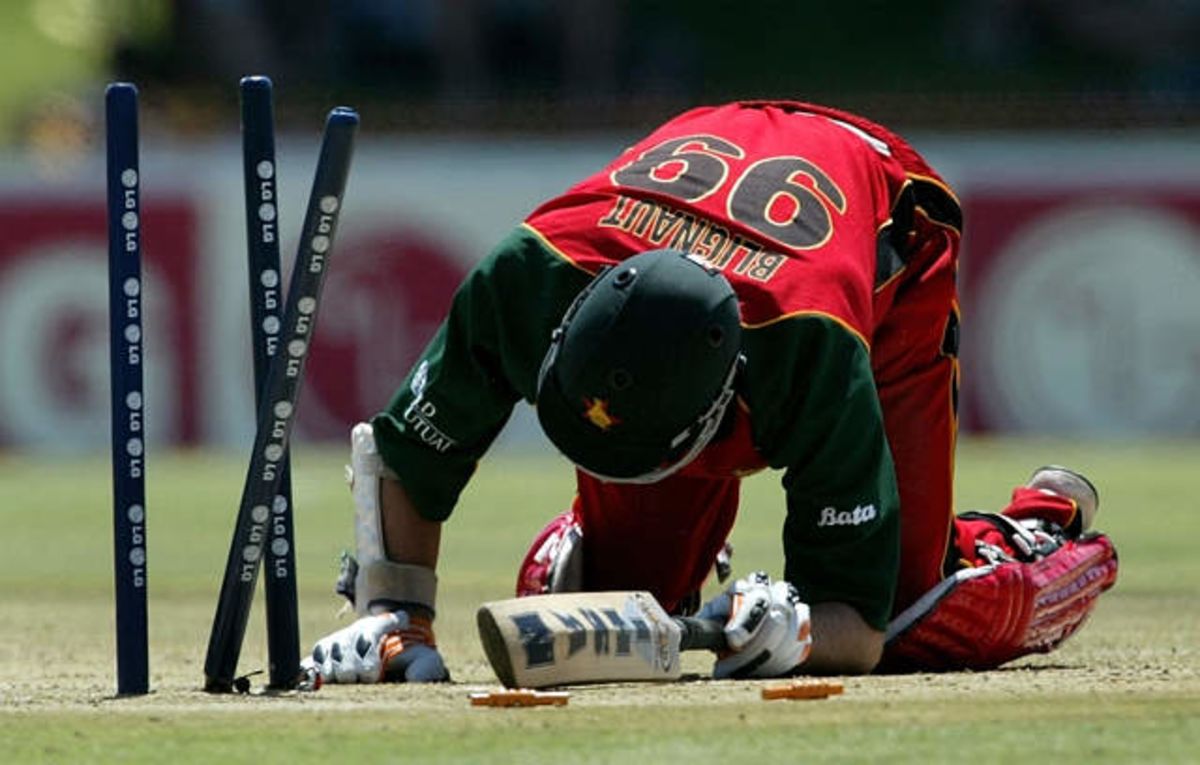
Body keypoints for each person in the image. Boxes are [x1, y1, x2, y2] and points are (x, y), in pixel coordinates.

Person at [303, 100, 1118, 684]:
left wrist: (800, 628)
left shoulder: (813, 347)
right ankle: (618, 542)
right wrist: (393, 615)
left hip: (892, 229)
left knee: (911, 614)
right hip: (717, 158)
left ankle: (1040, 532)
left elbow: (858, 628)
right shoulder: (527, 276)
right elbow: (410, 450)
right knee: (600, 599)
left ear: (725, 410)